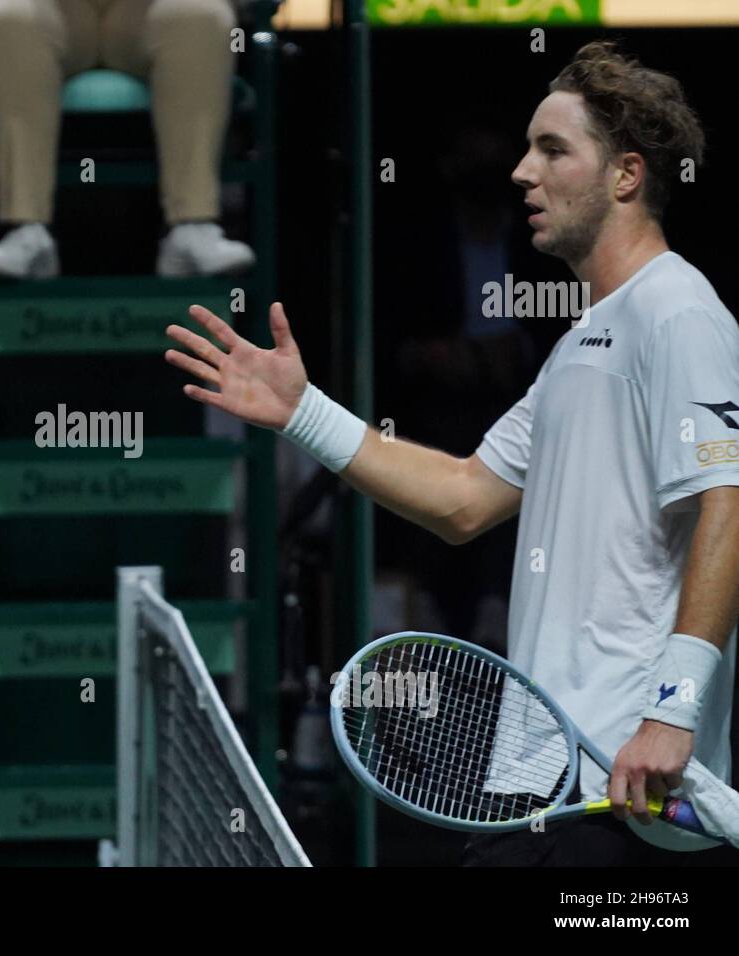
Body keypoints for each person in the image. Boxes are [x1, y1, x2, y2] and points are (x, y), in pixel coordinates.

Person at [164, 41, 739, 865]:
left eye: (552, 149)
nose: (519, 171)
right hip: (544, 783)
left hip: (628, 788)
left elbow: (730, 500)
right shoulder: (583, 341)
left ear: (626, 176)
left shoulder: (679, 312)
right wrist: (304, 413)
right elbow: (466, 496)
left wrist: (674, 711)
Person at [0, 0, 254, 278]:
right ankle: (25, 230)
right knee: (5, 15)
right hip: (49, 12)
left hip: (149, 12)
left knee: (202, 12)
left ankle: (193, 225)